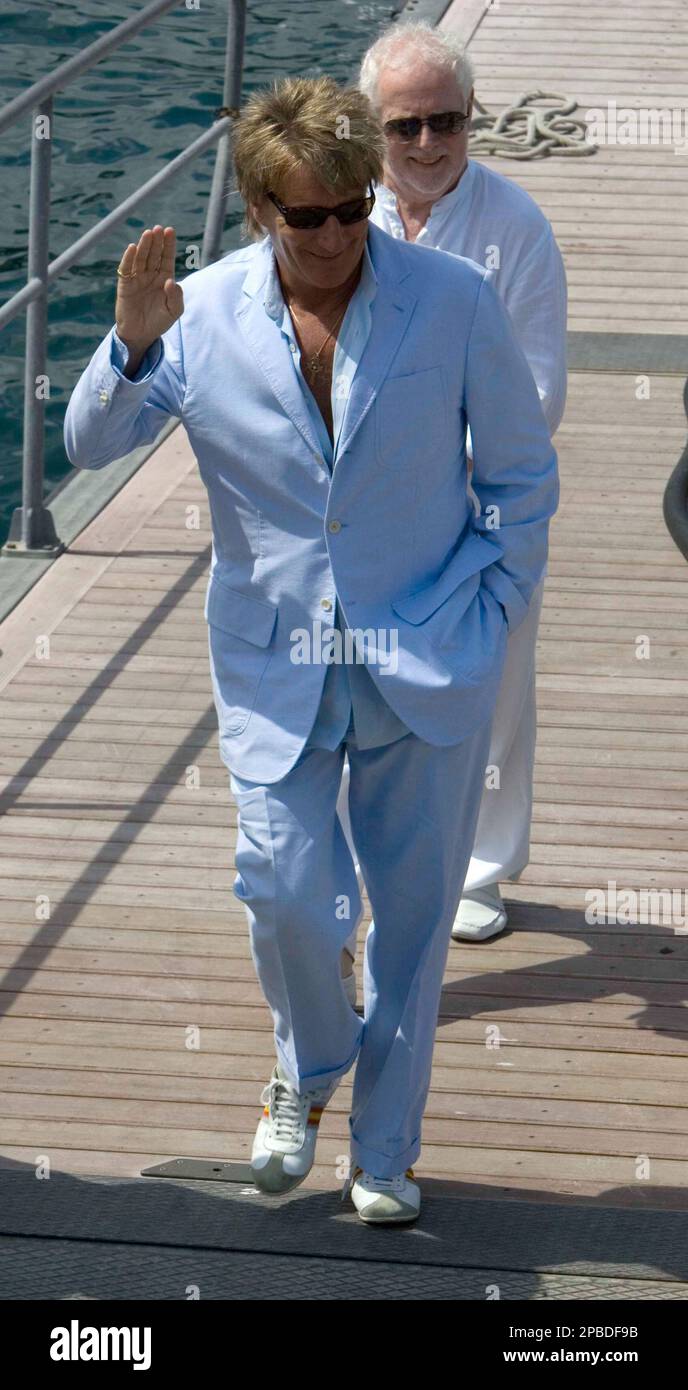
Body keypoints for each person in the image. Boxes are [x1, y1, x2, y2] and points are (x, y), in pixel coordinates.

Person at [63, 75, 558, 1225]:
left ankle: (385, 1149)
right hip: (274, 658)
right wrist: (130, 343)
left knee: (414, 917)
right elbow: (91, 445)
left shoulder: (455, 298)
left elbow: (521, 476)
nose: (335, 235)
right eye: (307, 216)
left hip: (428, 650)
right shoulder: (197, 315)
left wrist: (489, 609)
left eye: (350, 207)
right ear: (258, 211)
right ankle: (308, 1061)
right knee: (287, 895)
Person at [335, 20, 568, 962]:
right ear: (370, 130)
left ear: (471, 119)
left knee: (495, 691)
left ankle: (479, 867)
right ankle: (363, 873)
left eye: (446, 121)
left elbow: (539, 392)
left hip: (485, 507)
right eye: (404, 127)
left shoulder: (519, 229)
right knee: (362, 692)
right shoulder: (336, 220)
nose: (427, 145)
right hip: (369, 510)